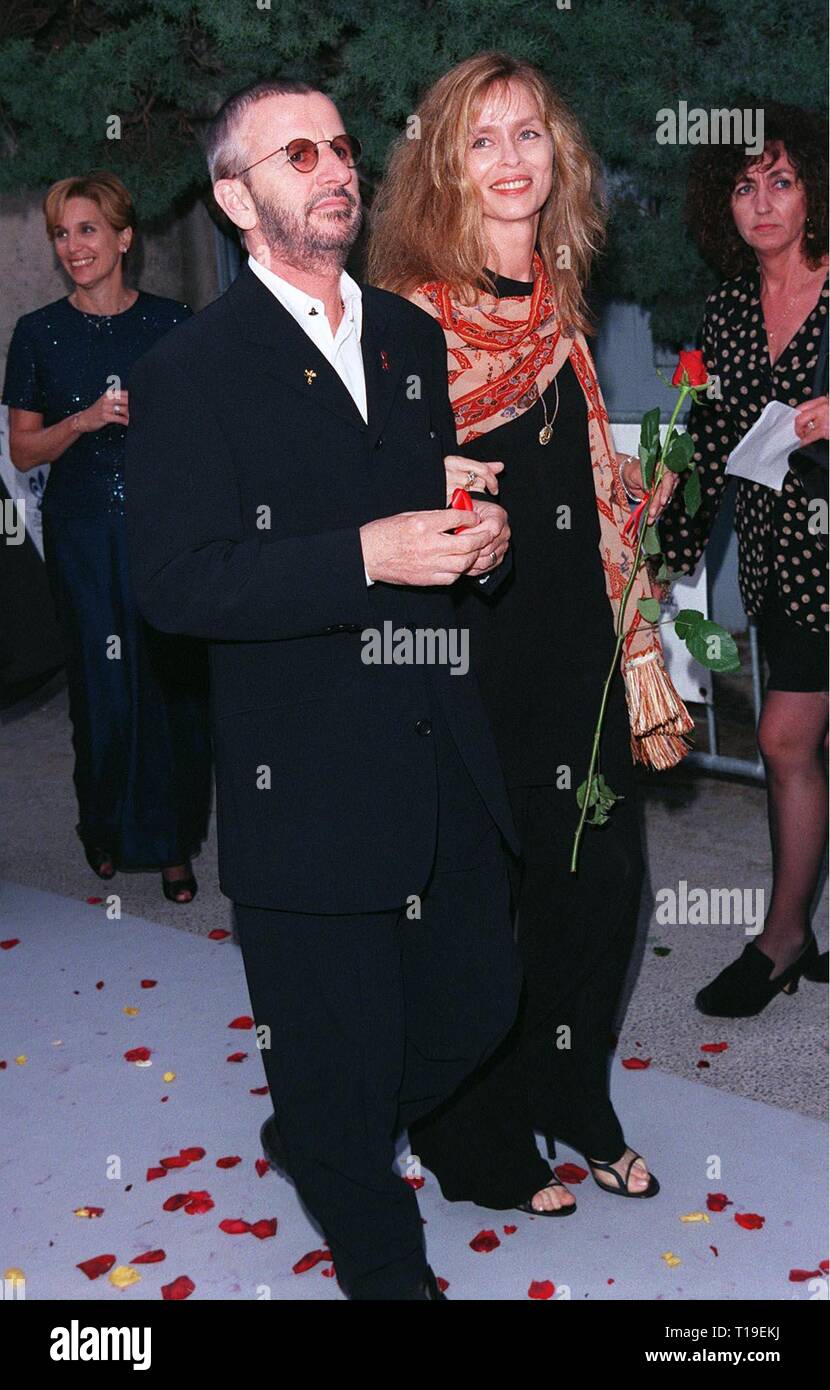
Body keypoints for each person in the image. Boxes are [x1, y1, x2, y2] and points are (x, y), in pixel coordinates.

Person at [124, 77, 524, 1300]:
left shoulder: (404, 334)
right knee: (342, 1054)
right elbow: (176, 584)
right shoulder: (189, 369)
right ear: (238, 198)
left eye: (342, 145)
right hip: (296, 771)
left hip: (431, 730)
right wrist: (365, 553)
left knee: (479, 1000)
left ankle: (321, 1134)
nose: (335, 166)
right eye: (296, 154)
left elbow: (394, 484)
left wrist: (472, 528)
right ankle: (367, 1219)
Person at [367, 52, 691, 1216]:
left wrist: (622, 497)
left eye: (527, 136)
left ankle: (570, 1090)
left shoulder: (559, 287)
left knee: (597, 880)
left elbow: (564, 451)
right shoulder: (405, 313)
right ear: (443, 168)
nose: (509, 161)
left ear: (559, 158)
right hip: (462, 646)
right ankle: (473, 1126)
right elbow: (368, 485)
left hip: (575, 635)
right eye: (480, 140)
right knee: (479, 901)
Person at [658, 104, 829, 1017]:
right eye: (742, 185)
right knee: (802, 743)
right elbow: (714, 439)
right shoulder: (727, 310)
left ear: (817, 190)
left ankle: (783, 936)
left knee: (782, 739)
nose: (761, 203)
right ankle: (794, 930)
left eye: (783, 180)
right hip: (781, 564)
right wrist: (668, 551)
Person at [2, 171, 210, 901]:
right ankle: (104, 826)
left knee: (169, 685)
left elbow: (201, 435)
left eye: (87, 229)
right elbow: (24, 451)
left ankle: (174, 843)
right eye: (61, 233)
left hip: (160, 531)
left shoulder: (173, 324)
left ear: (124, 239)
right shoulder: (37, 334)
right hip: (83, 535)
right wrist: (83, 421)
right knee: (101, 689)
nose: (73, 246)